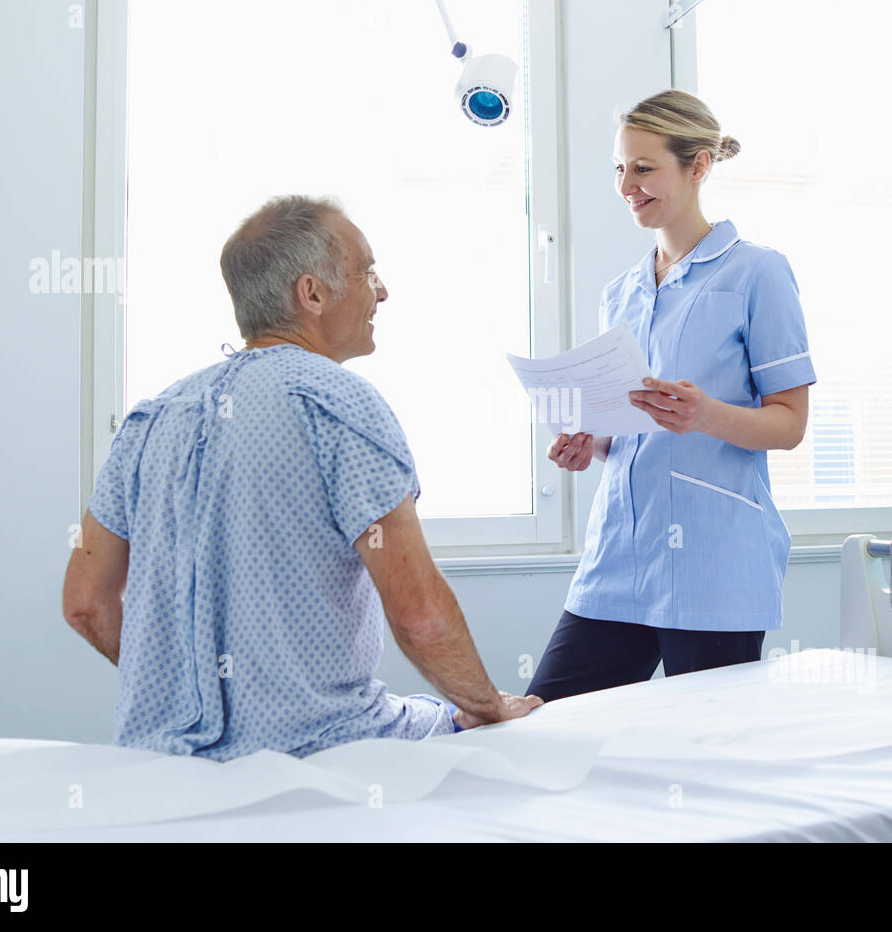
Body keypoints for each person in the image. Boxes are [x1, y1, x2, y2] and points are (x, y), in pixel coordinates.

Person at [62, 195, 541, 760]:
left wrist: (175, 691)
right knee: (487, 732)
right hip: (321, 751)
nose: (382, 291)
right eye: (367, 272)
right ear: (311, 293)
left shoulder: (151, 419)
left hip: (160, 761)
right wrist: (488, 707)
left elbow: (84, 603)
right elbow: (420, 617)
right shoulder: (337, 403)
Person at [526, 90, 817, 701]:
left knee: (709, 746)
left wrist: (705, 414)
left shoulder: (756, 272)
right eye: (619, 168)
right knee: (547, 717)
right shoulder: (621, 293)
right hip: (618, 562)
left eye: (643, 167)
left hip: (714, 568)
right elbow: (629, 432)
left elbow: (789, 424)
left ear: (698, 165)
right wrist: (590, 441)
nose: (626, 186)